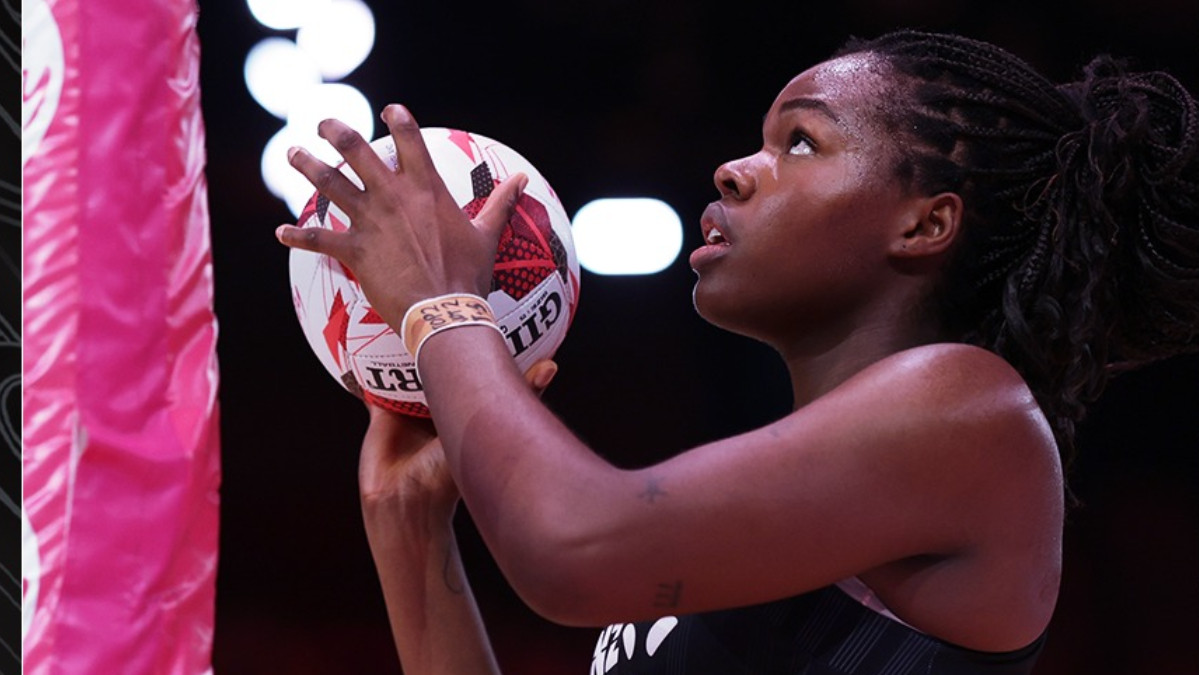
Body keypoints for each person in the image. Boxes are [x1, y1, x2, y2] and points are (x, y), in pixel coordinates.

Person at [275, 29, 1199, 674]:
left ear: (926, 222)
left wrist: (444, 307)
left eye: (799, 142)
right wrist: (408, 530)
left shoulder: (974, 411)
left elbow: (569, 548)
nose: (732, 169)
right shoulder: (781, 503)